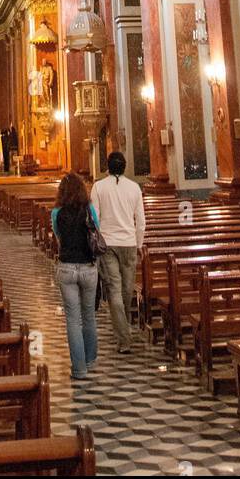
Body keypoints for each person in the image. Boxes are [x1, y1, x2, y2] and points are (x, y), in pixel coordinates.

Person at [90, 151, 145, 354]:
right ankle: (124, 335)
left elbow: (94, 218)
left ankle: (123, 336)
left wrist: (97, 240)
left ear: (108, 166)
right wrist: (139, 244)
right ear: (125, 166)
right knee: (126, 291)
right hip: (129, 243)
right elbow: (141, 220)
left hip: (108, 243)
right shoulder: (134, 188)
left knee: (115, 290)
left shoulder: (98, 187)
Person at [51, 172, 100, 379]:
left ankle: (79, 369)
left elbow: (58, 236)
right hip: (88, 267)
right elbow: (96, 231)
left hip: (67, 267)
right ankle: (89, 359)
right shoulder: (89, 209)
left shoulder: (57, 212)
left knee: (72, 319)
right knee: (89, 316)